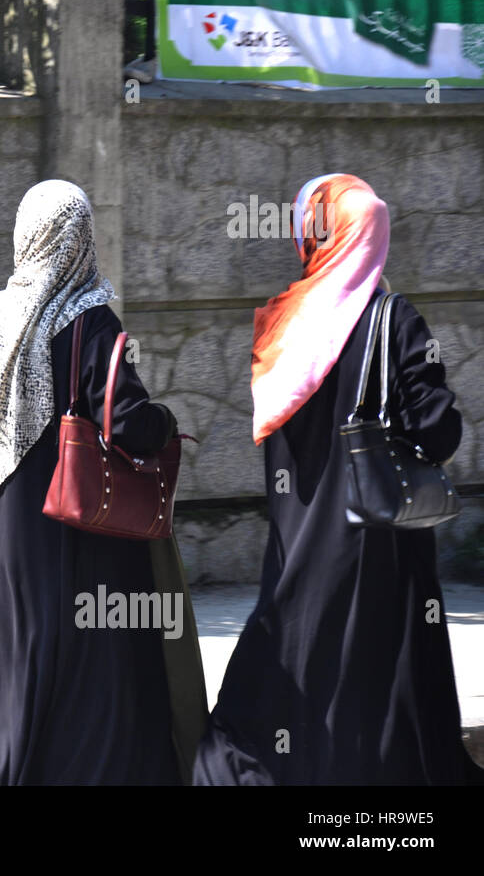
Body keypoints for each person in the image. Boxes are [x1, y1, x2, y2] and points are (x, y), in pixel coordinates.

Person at [194, 173, 481, 785]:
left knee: (297, 677)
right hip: (381, 544)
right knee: (384, 690)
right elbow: (439, 432)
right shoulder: (395, 319)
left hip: (300, 543)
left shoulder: (282, 323)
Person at [0, 180, 207, 786]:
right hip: (68, 522)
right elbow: (128, 421)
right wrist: (166, 422)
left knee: (12, 653)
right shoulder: (88, 318)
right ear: (78, 240)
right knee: (86, 656)